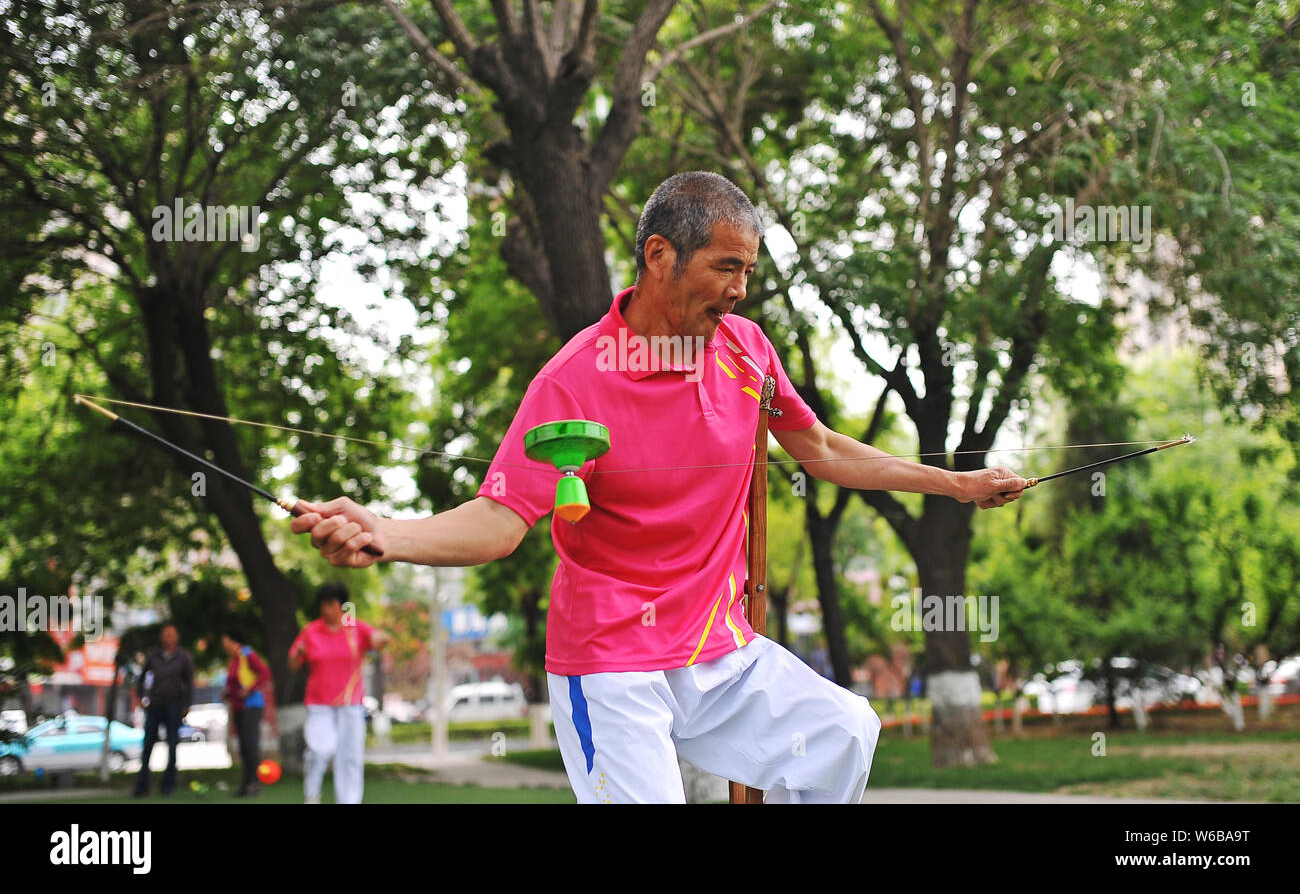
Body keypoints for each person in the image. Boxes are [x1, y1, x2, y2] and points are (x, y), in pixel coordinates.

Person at [291, 171, 1027, 803]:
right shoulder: (575, 379)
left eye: (748, 273)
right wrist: (387, 532)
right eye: (727, 267)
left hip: (718, 650)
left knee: (845, 731)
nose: (739, 291)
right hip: (611, 663)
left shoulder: (747, 351)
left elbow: (824, 449)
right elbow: (500, 518)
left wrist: (956, 482)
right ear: (659, 255)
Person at [288, 583, 390, 804]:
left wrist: (381, 639)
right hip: (319, 704)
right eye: (325, 604)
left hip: (350, 703)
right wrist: (299, 654)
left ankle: (349, 801)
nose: (329, 609)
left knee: (350, 757)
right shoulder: (311, 631)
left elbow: (377, 638)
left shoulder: (354, 629)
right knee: (319, 750)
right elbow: (293, 663)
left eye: (333, 604)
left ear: (342, 606)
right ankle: (312, 795)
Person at [133, 622, 194, 797]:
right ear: (161, 637)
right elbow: (141, 678)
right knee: (148, 746)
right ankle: (142, 785)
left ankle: (169, 785)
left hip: (174, 706)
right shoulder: (153, 656)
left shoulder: (183, 657)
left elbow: (189, 683)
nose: (168, 638)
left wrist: (187, 704)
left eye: (171, 634)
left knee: (173, 746)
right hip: (154, 706)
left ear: (177, 637)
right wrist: (140, 698)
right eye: (166, 634)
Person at [221, 630, 272, 797]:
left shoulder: (247, 653)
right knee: (243, 747)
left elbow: (264, 672)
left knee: (251, 745)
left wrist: (250, 690)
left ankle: (255, 784)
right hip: (238, 707)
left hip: (251, 706)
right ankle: (246, 785)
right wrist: (228, 693)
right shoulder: (234, 660)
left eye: (226, 642)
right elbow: (236, 682)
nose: (224, 646)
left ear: (234, 641)